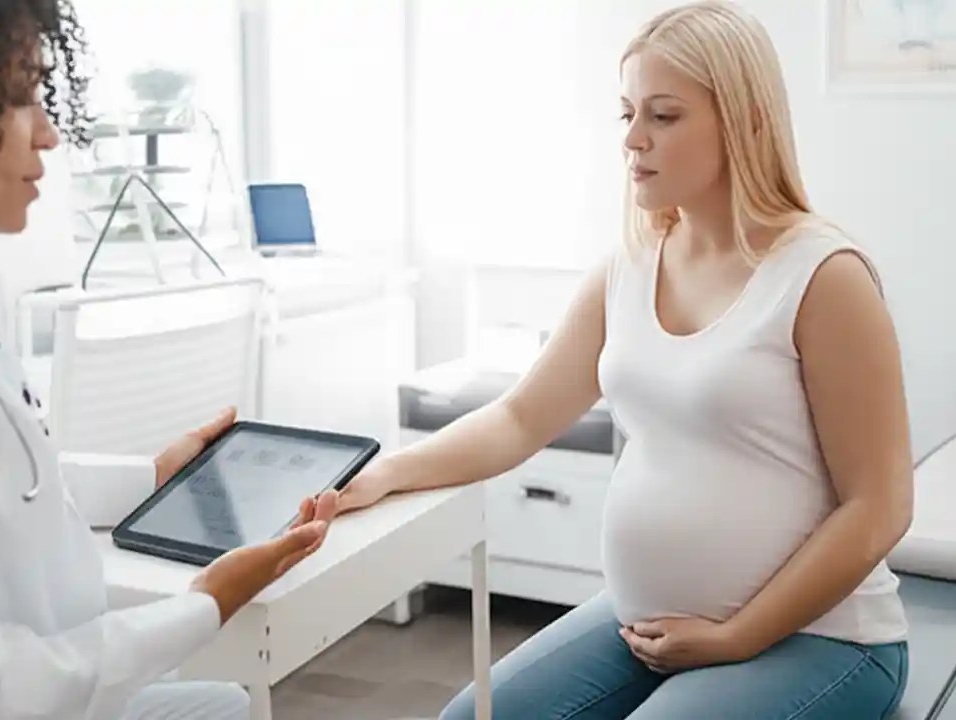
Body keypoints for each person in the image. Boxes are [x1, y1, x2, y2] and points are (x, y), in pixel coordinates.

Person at [337, 2, 913, 718]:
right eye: (627, 113)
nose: (633, 140)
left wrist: (738, 636)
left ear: (746, 120)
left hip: (823, 639)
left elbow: (880, 506)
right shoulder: (629, 266)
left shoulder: (824, 276)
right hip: (649, 624)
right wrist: (383, 473)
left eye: (665, 116)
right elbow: (520, 418)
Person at [0, 2, 335, 719]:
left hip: (49, 674)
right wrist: (204, 605)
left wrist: (152, 477)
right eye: (19, 97)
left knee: (220, 707)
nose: (47, 132)